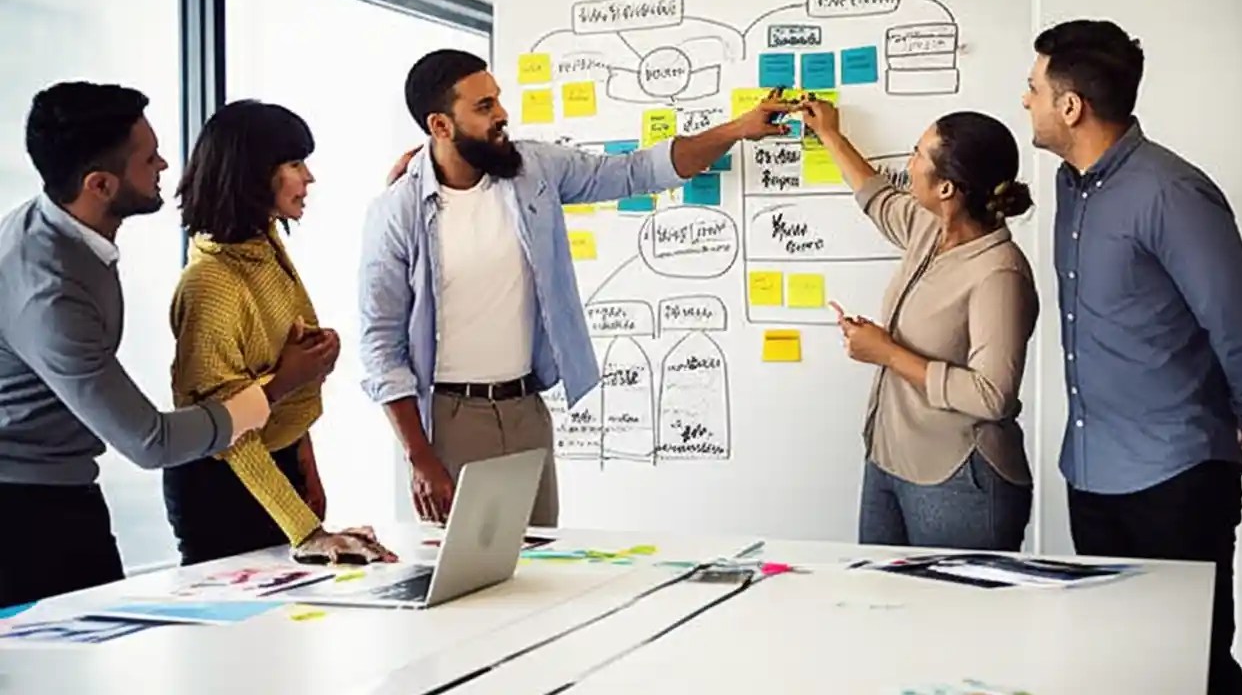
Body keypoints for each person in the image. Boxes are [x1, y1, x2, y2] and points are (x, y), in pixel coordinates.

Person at [359, 49, 794, 526]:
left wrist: (737, 129)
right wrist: (419, 456)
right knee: (465, 581)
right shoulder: (397, 211)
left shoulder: (532, 169)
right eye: (484, 107)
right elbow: (381, 342)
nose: (502, 114)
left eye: (498, 100)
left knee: (541, 567)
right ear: (440, 126)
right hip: (449, 419)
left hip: (527, 408)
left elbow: (636, 171)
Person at [1024, 20, 1242, 695]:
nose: (1026, 101)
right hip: (1092, 473)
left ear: (1070, 106)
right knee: (1122, 665)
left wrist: (1239, 414)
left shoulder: (1171, 191)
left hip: (1176, 480)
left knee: (1193, 669)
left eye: (1034, 88)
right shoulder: (1070, 189)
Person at [0, 82, 289, 607]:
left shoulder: (65, 229)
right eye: (149, 158)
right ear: (100, 184)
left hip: (67, 494)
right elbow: (149, 442)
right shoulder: (48, 293)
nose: (164, 166)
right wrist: (274, 389)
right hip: (21, 518)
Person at [798, 95, 1038, 550]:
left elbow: (992, 396)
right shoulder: (928, 229)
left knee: (953, 618)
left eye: (916, 153)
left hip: (959, 479)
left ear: (947, 187)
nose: (906, 164)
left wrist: (886, 353)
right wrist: (829, 133)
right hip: (888, 461)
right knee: (881, 612)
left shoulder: (998, 272)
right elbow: (877, 197)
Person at [166, 99, 397, 567]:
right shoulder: (210, 281)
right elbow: (228, 433)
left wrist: (304, 459)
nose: (308, 177)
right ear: (252, 174)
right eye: (294, 163)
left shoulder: (264, 244)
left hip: (280, 460)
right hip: (225, 481)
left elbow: (278, 372)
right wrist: (307, 532)